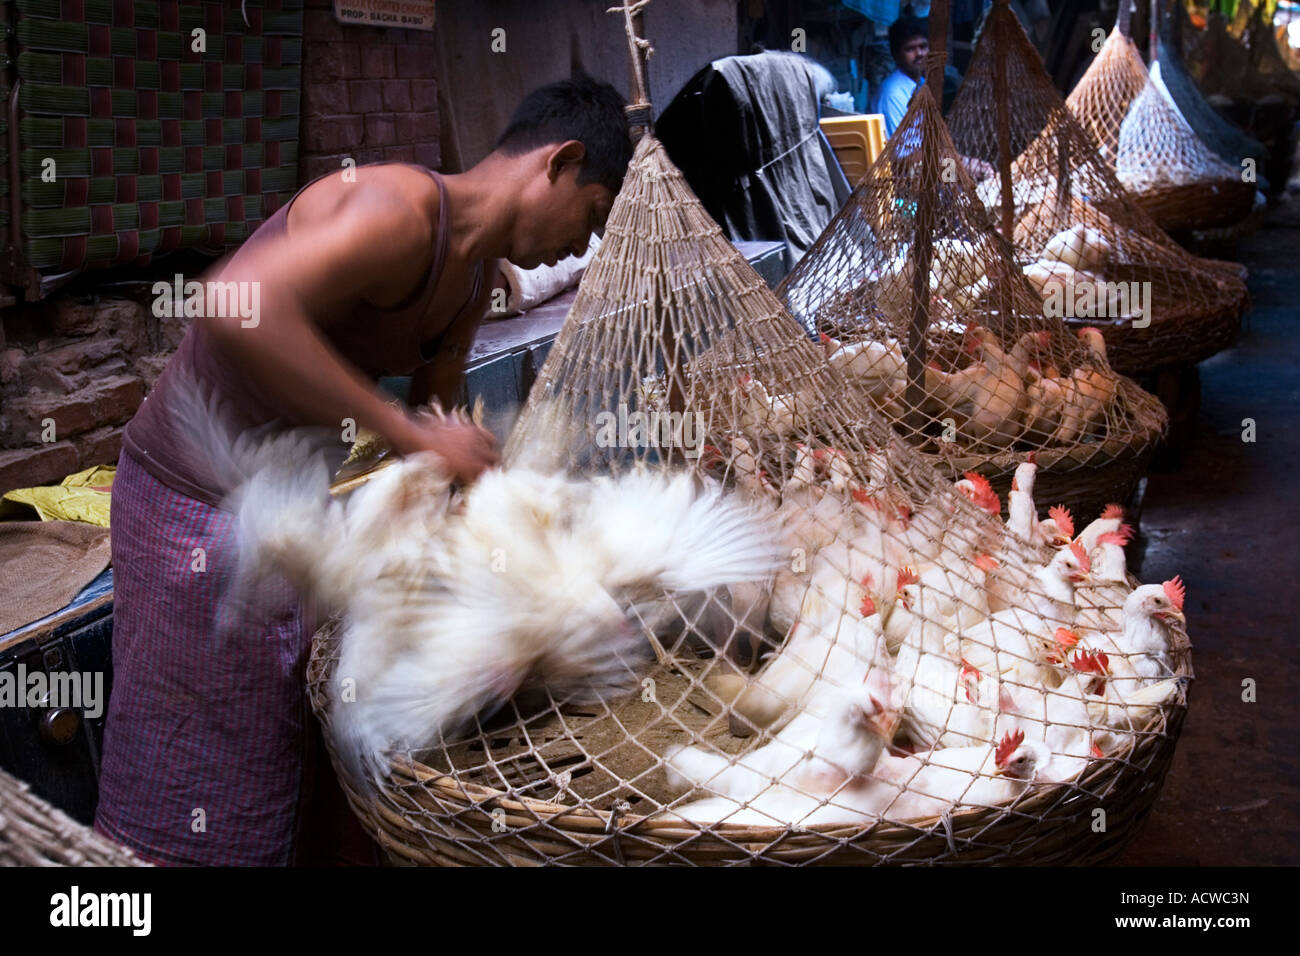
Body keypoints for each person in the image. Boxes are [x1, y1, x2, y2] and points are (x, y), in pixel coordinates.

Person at [93, 73, 633, 866]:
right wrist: (409, 432)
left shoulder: (475, 278)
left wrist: (493, 522)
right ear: (560, 162)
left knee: (299, 749)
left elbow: (437, 423)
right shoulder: (397, 210)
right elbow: (238, 302)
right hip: (193, 506)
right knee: (208, 768)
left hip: (284, 512)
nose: (583, 246)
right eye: (592, 215)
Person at [872, 14, 929, 136]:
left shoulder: (921, 83)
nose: (919, 54)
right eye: (910, 49)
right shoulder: (893, 94)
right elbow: (903, 147)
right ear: (896, 55)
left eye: (923, 47)